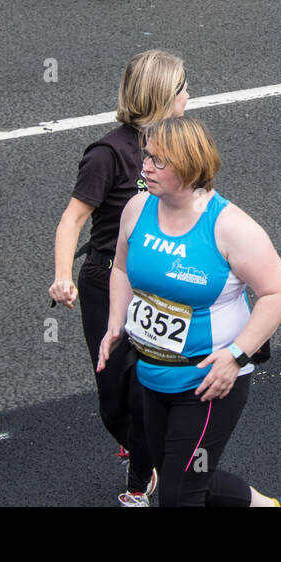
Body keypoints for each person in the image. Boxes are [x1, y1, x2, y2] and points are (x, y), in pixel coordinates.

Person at [96, 117, 281, 508]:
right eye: (146, 156)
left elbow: (279, 292)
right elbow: (123, 268)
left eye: (159, 161)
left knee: (179, 497)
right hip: (151, 374)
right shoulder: (137, 208)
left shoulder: (231, 228)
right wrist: (115, 321)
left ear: (190, 165)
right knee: (187, 477)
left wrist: (235, 356)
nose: (145, 167)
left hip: (208, 382)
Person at [51, 49, 189, 506]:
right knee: (112, 395)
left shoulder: (180, 147)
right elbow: (72, 220)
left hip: (156, 280)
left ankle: (145, 475)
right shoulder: (108, 154)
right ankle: (139, 445)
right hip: (105, 281)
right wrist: (62, 276)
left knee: (146, 386)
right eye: (182, 88)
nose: (190, 95)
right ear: (160, 96)